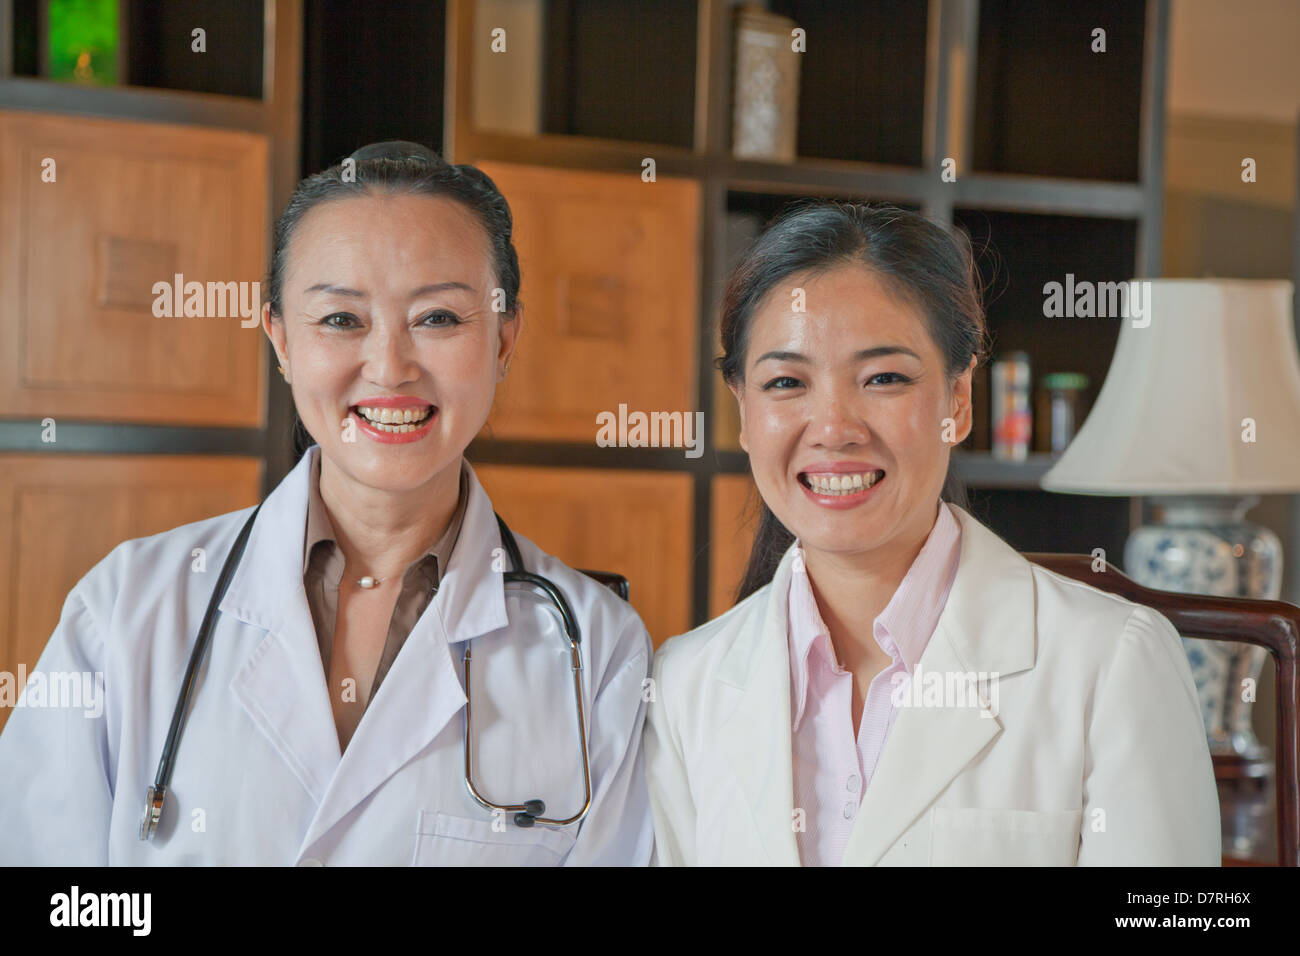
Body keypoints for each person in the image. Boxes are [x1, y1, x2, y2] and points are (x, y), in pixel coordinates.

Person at [0, 141, 654, 866]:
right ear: (280, 339)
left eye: (438, 318)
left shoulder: (598, 655)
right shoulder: (124, 611)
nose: (390, 367)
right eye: (342, 320)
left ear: (503, 341)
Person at [643, 201, 1220, 866]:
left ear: (959, 400)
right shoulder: (686, 684)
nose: (833, 427)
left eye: (883, 377)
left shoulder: (1112, 663)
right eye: (786, 382)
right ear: (745, 414)